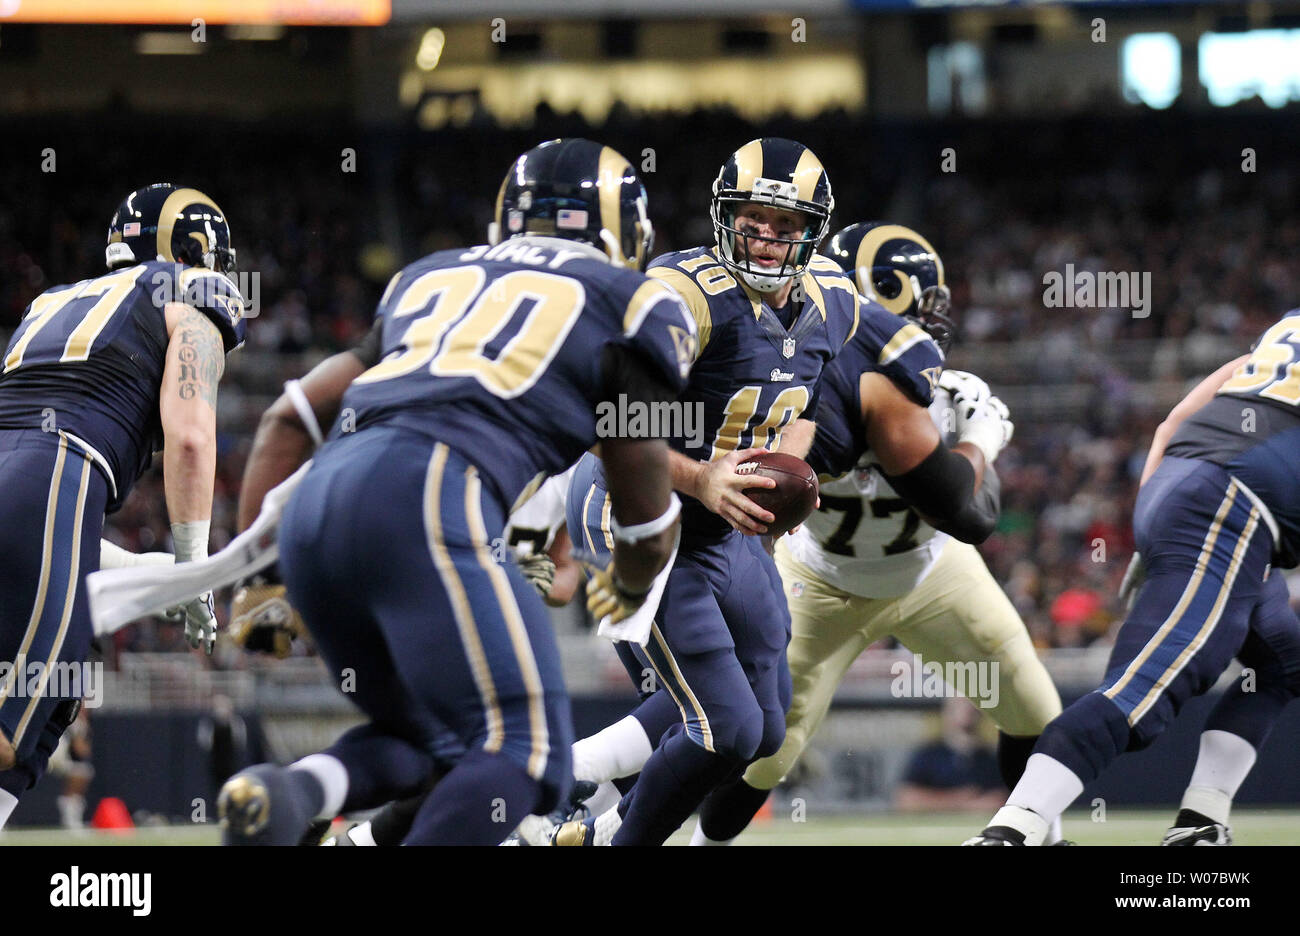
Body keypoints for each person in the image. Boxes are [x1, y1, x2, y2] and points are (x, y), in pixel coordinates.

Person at [218, 138, 696, 845]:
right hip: (431, 488)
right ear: (625, 230)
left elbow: (286, 419)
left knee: (438, 740)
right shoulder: (633, 303)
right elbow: (643, 493)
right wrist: (634, 573)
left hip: (316, 506)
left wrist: (260, 580)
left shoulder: (428, 277)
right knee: (526, 753)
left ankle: (290, 792)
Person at [686, 223, 1061, 845]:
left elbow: (966, 520)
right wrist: (982, 441)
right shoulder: (796, 399)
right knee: (768, 750)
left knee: (1035, 711)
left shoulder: (936, 393)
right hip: (820, 575)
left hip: (930, 569)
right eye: (922, 305)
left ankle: (1040, 839)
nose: (932, 324)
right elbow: (970, 511)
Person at [554, 137, 861, 846]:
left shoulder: (834, 303)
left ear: (812, 233)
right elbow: (602, 417)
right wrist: (701, 475)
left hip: (723, 528)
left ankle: (591, 829)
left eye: (786, 226)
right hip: (640, 511)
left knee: (766, 731)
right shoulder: (685, 296)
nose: (765, 237)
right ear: (726, 215)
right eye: (753, 218)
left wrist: (779, 473)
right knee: (725, 728)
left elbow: (806, 408)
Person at [966, 311, 1300, 845]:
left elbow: (1174, 422)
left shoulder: (1289, 331)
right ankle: (1012, 831)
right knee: (1142, 693)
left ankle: (1201, 822)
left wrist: (1154, 521)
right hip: (1230, 508)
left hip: (1187, 485)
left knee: (1283, 660)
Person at [0, 183, 244, 828]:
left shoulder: (50, 301)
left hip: (31, 485)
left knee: (50, 705)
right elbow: (191, 436)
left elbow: (49, 535)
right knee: (9, 724)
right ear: (198, 249)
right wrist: (194, 569)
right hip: (52, 472)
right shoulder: (192, 290)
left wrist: (160, 578)